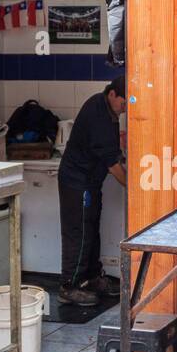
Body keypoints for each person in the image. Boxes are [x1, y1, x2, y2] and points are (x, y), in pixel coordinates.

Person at [57, 74, 127, 306]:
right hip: (77, 182)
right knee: (79, 232)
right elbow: (111, 162)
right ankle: (69, 285)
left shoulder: (108, 110)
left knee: (92, 229)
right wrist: (134, 188)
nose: (125, 109)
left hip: (90, 182)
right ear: (112, 94)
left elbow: (111, 152)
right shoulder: (98, 113)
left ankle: (92, 277)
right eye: (123, 103)